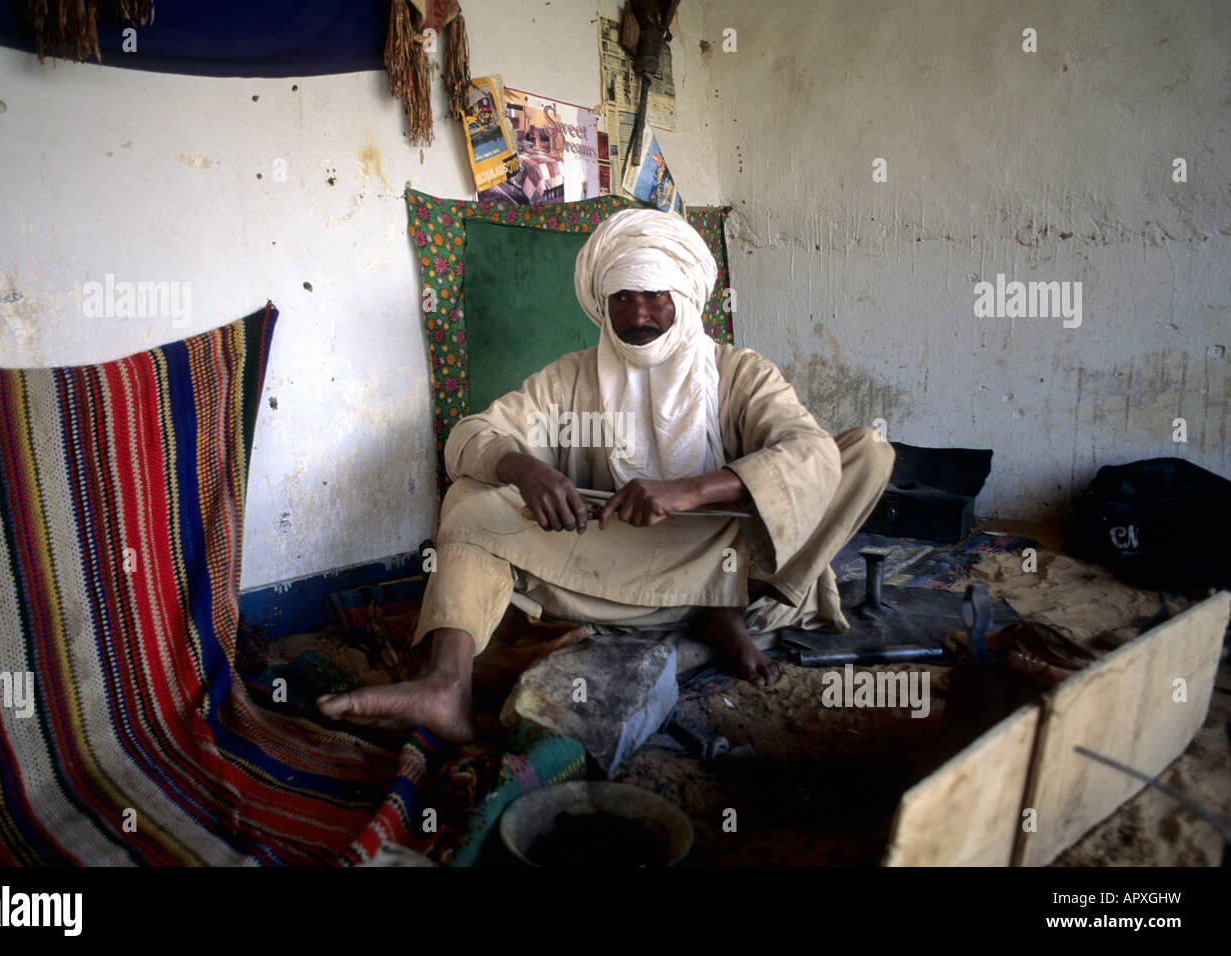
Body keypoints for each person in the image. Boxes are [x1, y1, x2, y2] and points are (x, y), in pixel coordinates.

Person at [318, 209, 894, 742]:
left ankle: (728, 615)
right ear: (601, 303)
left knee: (867, 452)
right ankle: (446, 686)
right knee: (472, 497)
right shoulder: (572, 377)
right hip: (601, 561)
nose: (638, 315)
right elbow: (469, 436)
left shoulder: (738, 373)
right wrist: (523, 467)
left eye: (654, 296)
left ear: (686, 299)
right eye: (622, 297)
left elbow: (808, 452)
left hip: (729, 559)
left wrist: (689, 490)